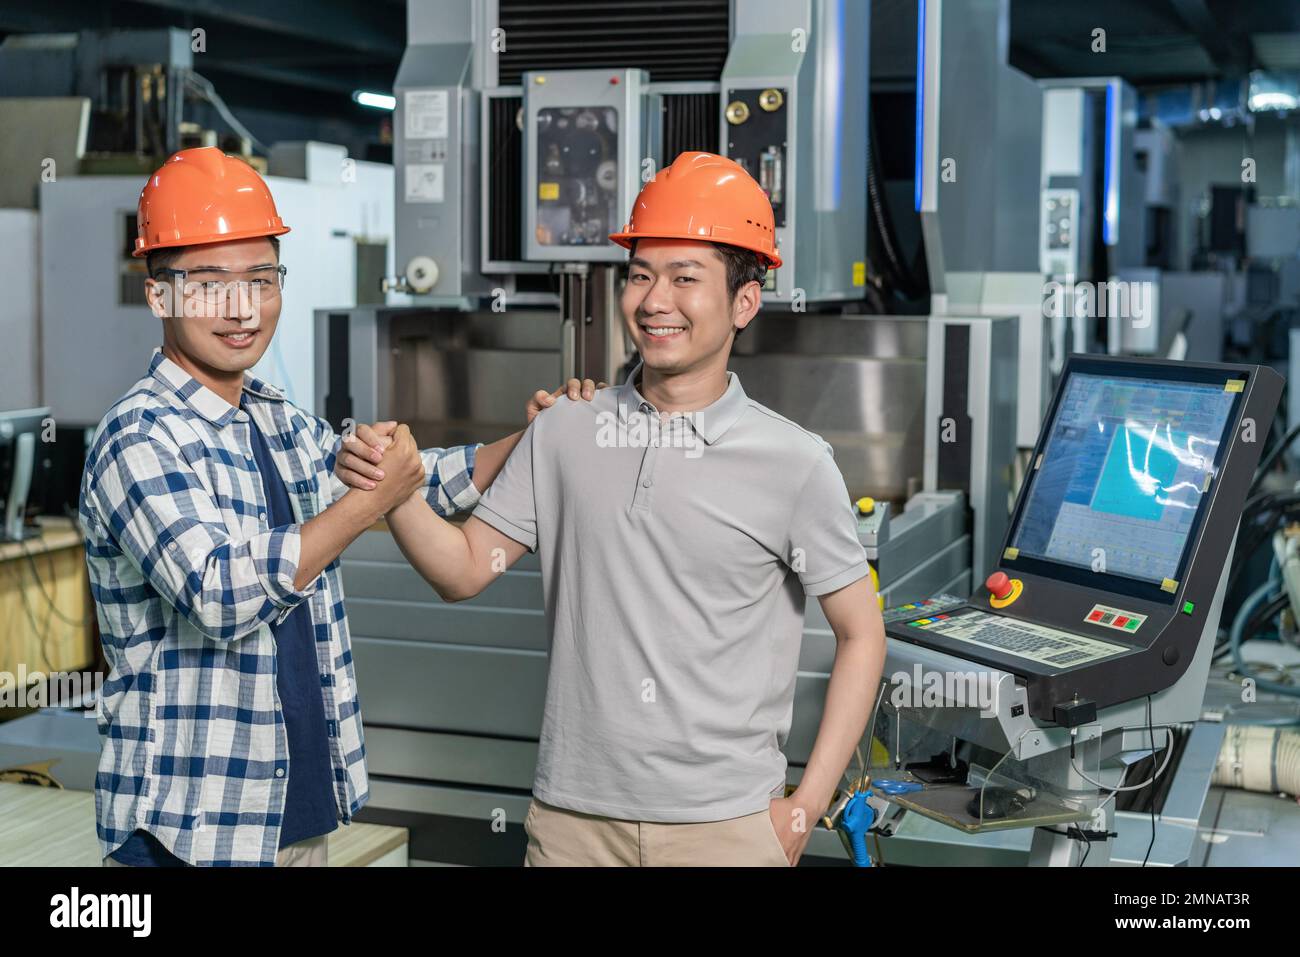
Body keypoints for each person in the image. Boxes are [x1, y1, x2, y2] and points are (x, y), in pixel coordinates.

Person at [337, 152, 887, 866]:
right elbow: (465, 568)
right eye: (640, 275)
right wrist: (397, 488)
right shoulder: (566, 427)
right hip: (571, 826)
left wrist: (803, 808)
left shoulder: (795, 463)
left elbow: (862, 634)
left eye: (686, 277)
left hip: (724, 830)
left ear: (744, 301)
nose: (655, 300)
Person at [80, 147, 595, 866]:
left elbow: (420, 482)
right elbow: (221, 592)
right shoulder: (136, 436)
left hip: (294, 817)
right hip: (187, 832)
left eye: (261, 279)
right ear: (159, 294)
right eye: (209, 283)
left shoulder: (274, 416)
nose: (241, 306)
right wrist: (364, 505)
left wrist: (533, 440)